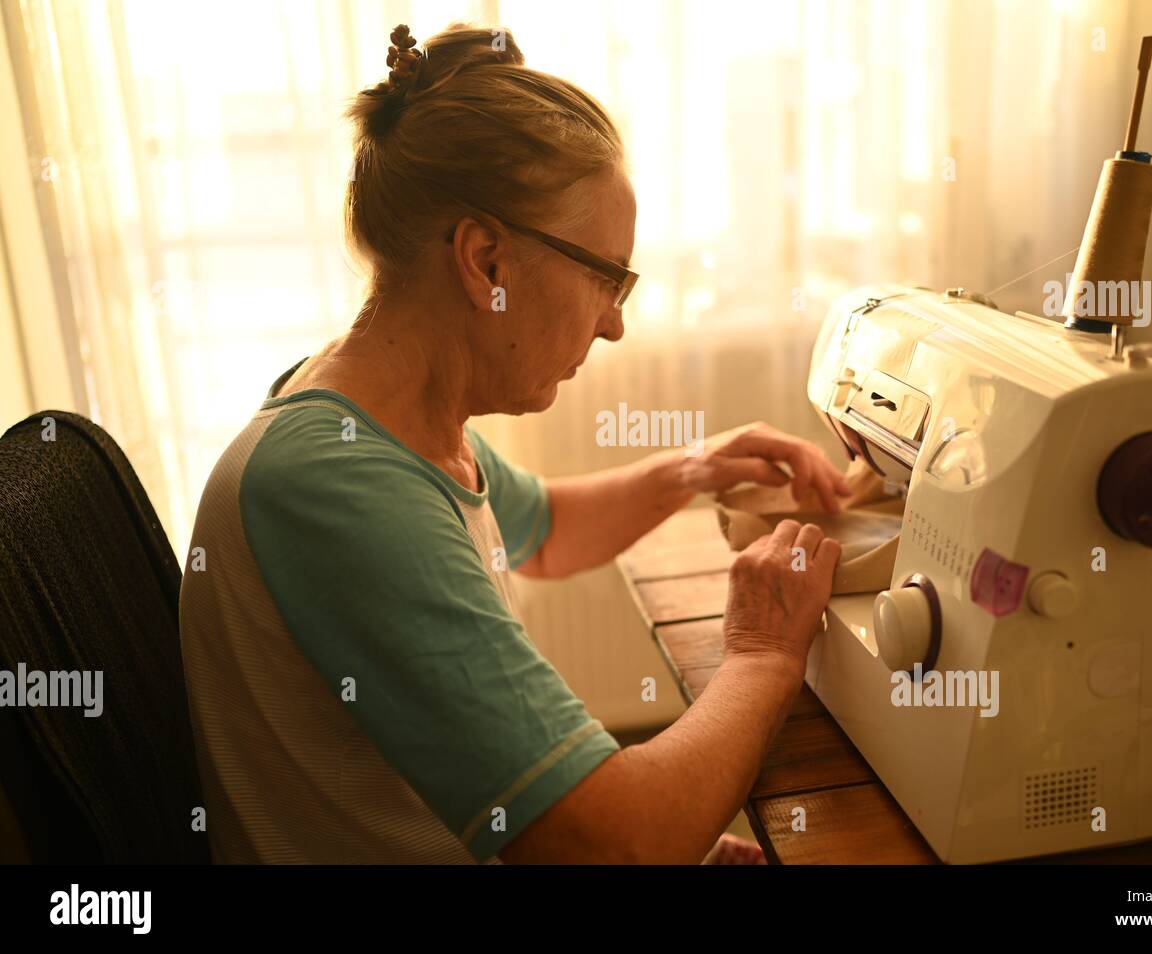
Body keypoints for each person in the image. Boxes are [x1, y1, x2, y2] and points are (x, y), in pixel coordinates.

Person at [179, 22, 846, 864]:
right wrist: (762, 652)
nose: (614, 322)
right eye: (605, 275)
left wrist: (692, 468)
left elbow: (546, 530)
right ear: (486, 260)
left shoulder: (383, 419)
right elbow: (613, 848)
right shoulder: (339, 486)